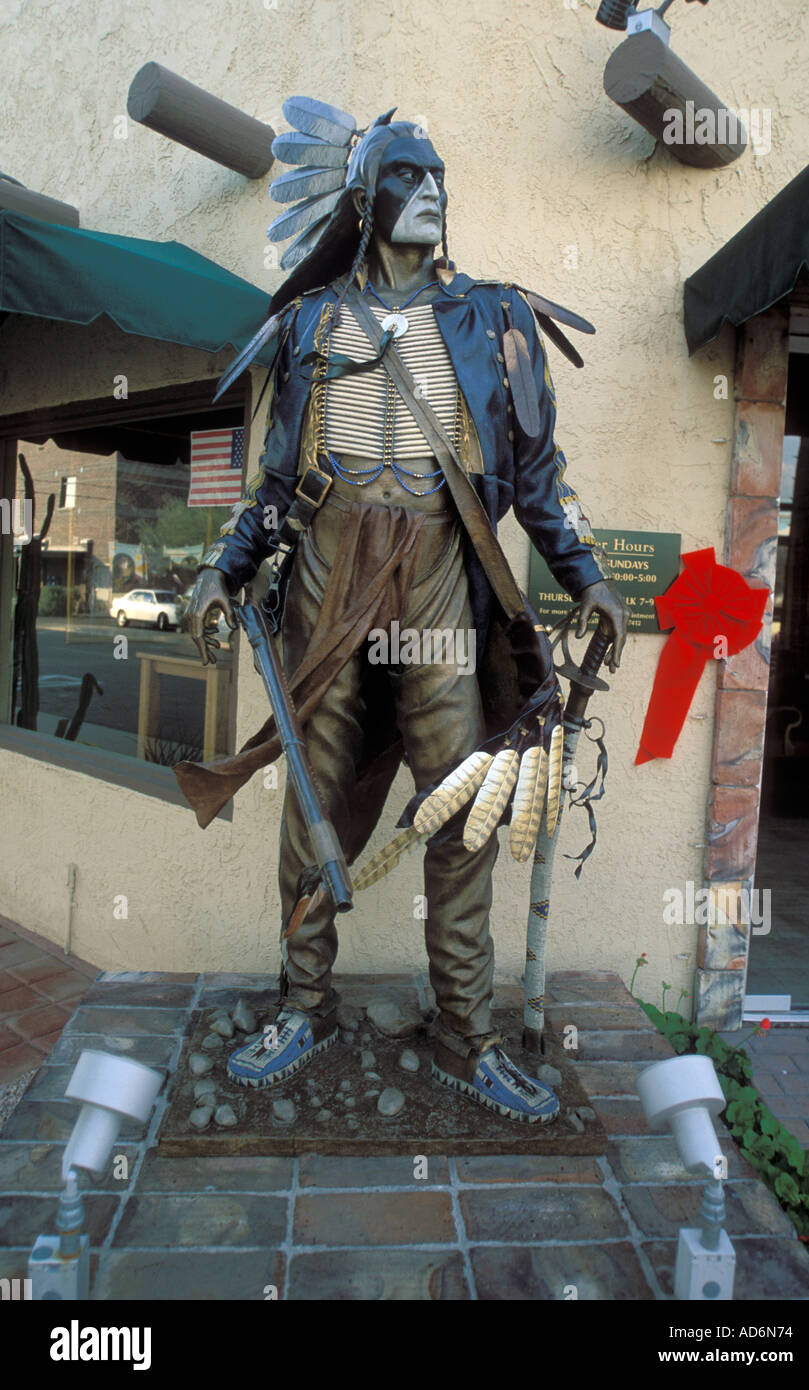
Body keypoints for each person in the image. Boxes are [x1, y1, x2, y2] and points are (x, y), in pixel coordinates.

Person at [183, 101, 628, 1124]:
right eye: (405, 175)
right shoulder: (305, 328)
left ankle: (464, 1029)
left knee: (463, 804)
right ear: (365, 200)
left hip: (439, 585)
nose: (429, 188)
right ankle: (305, 1004)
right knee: (311, 796)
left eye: (437, 174)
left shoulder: (498, 321)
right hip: (327, 593)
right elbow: (269, 489)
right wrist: (223, 567)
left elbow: (541, 479)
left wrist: (588, 575)